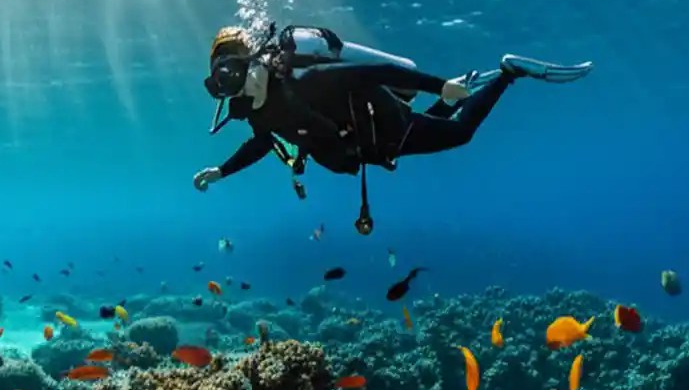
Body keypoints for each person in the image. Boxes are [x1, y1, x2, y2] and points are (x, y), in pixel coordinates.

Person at [193, 23, 592, 234]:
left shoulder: (304, 80)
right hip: (369, 146)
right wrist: (222, 172)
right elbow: (262, 143)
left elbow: (375, 71)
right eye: (221, 80)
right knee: (429, 129)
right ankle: (454, 98)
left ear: (253, 61)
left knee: (458, 134)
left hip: (385, 130)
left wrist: (439, 85)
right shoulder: (253, 110)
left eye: (234, 72)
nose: (232, 85)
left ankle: (507, 73)